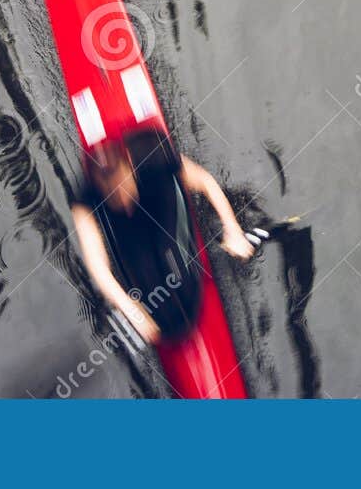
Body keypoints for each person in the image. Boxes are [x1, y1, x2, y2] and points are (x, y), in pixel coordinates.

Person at [70, 127, 254, 345]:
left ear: (130, 165)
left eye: (122, 186)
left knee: (175, 264)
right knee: (152, 290)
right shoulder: (84, 197)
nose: (122, 199)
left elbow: (204, 181)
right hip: (128, 232)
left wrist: (232, 229)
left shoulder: (153, 154)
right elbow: (97, 266)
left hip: (158, 201)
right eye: (112, 195)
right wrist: (131, 310)